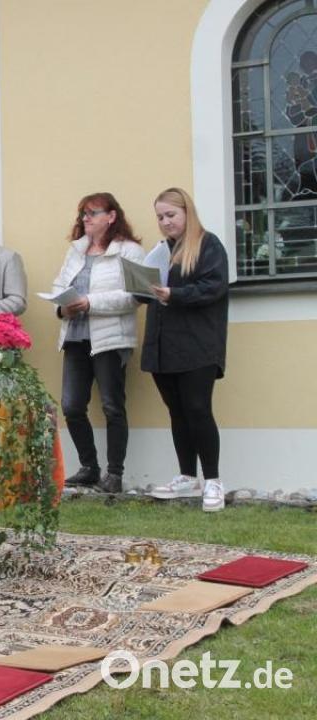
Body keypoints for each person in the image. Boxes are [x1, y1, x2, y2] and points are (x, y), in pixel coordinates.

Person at [140, 188, 230, 512]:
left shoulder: (208, 244)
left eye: (171, 215)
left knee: (197, 409)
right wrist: (137, 285)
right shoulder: (160, 250)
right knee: (177, 411)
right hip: (163, 345)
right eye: (160, 217)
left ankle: (213, 481)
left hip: (197, 345)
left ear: (187, 213)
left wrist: (172, 294)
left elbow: (213, 287)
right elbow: (147, 291)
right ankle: (187, 476)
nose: (165, 223)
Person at [51, 193, 146, 494]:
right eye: (83, 214)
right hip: (75, 337)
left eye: (92, 213)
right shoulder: (76, 251)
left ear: (111, 216)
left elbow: (134, 297)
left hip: (110, 338)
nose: (85, 219)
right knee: (71, 405)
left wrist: (89, 302)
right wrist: (61, 307)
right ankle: (89, 467)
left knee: (112, 406)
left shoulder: (129, 251)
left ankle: (114, 474)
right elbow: (58, 287)